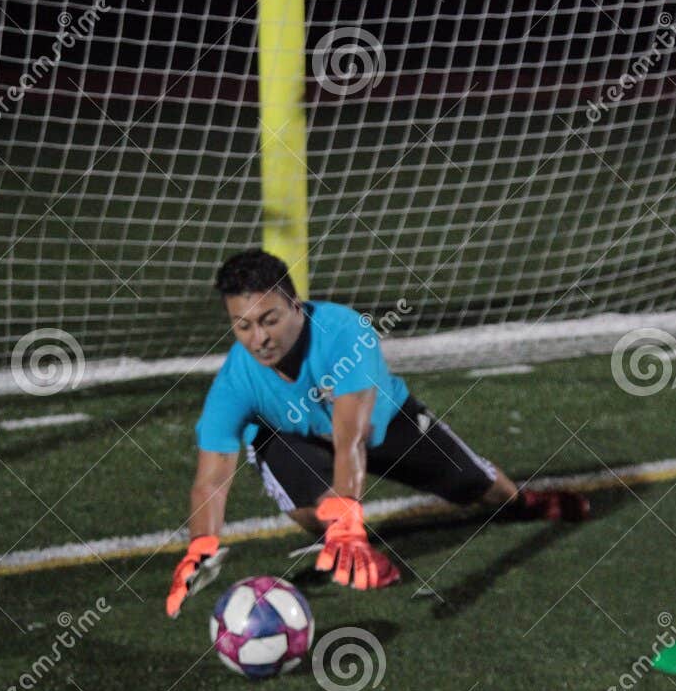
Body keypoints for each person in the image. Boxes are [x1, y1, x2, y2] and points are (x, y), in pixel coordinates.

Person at [167, 250, 587, 615]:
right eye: (243, 326)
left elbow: (351, 433)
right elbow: (211, 478)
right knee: (307, 499)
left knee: (475, 485)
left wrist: (347, 504)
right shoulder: (234, 382)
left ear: (296, 304)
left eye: (269, 319)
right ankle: (353, 549)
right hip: (294, 438)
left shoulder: (344, 332)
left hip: (380, 423)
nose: (258, 339)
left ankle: (523, 504)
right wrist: (201, 544)